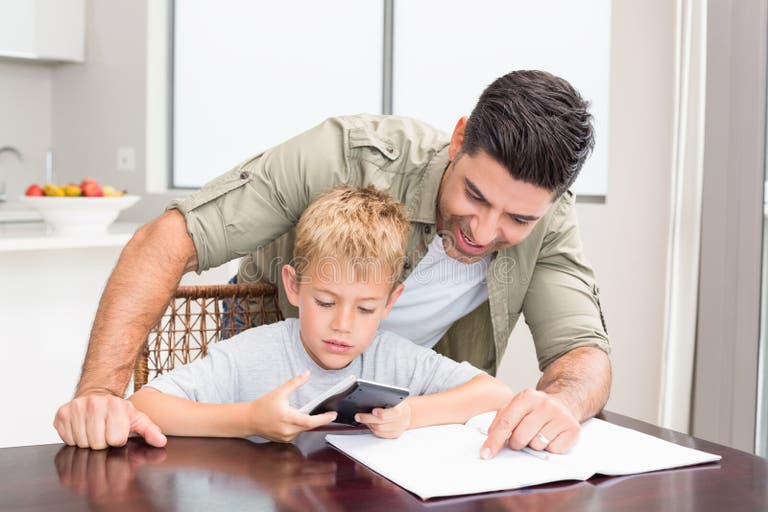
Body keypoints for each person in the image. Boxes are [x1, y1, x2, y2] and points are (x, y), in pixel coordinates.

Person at [54, 70, 611, 458]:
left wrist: (559, 405)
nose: (484, 233)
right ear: (459, 140)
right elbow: (166, 239)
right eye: (476, 196)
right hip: (274, 367)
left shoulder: (553, 220)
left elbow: (582, 352)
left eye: (518, 219)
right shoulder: (346, 152)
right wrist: (100, 397)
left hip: (397, 403)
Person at [127, 187, 514, 443]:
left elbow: (495, 394)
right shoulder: (253, 353)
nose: (343, 325)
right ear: (294, 286)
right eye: (326, 303)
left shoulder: (392, 356)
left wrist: (410, 413)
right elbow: (144, 405)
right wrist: (249, 420)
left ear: (391, 302)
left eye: (365, 308)